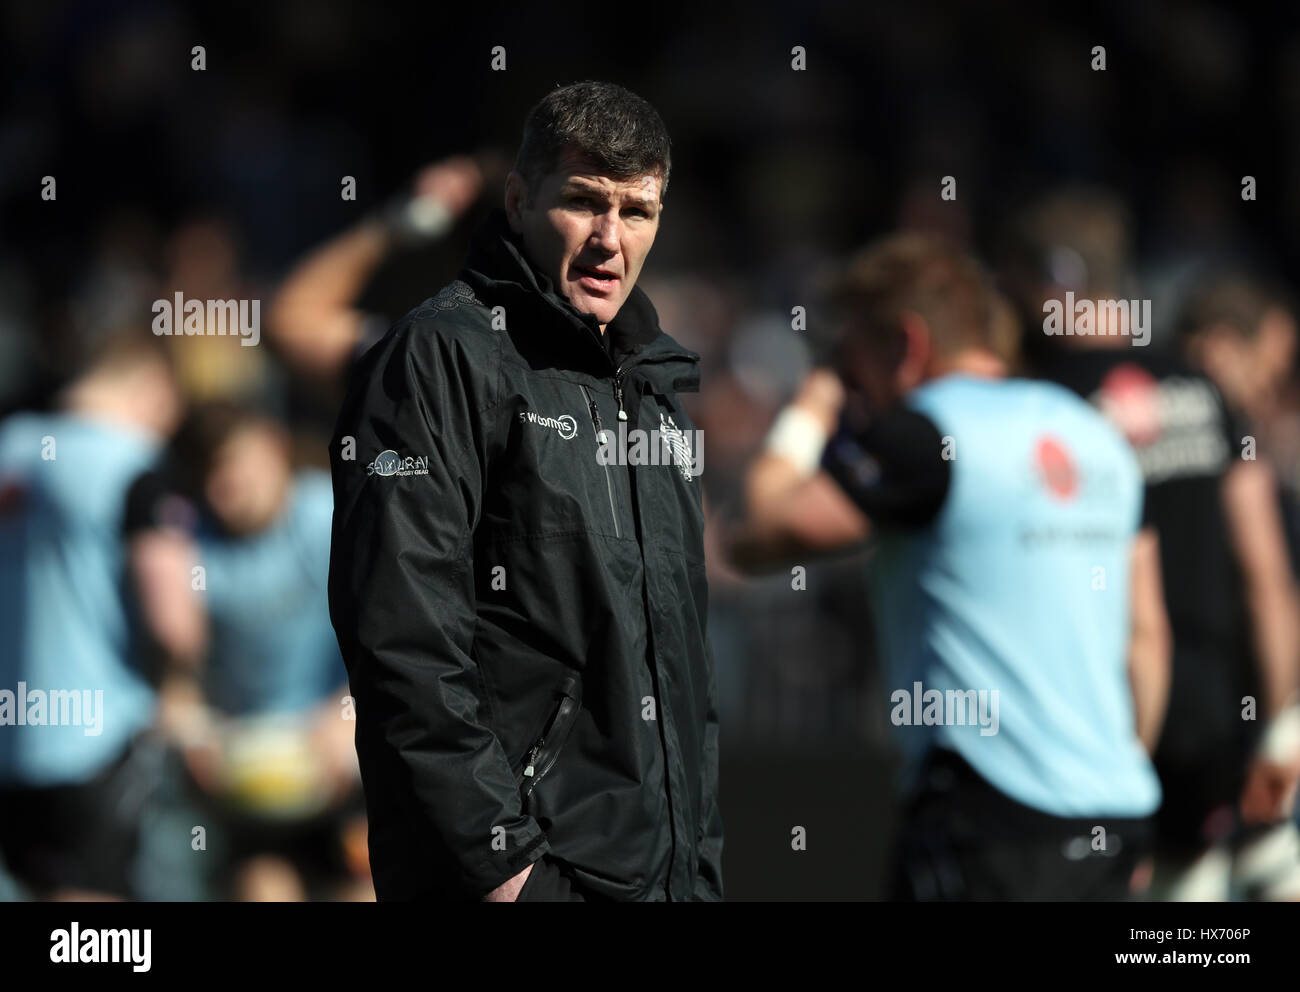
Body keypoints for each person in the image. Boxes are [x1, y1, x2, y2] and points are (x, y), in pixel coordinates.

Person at [328, 80, 722, 901]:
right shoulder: (438, 356)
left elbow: (681, 674)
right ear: (517, 200)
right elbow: (402, 635)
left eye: (637, 211)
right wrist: (504, 869)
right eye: (582, 202)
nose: (610, 239)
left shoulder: (656, 388)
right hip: (519, 876)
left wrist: (699, 869)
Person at [728, 233, 1169, 900]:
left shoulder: (926, 434)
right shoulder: (1095, 434)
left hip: (991, 827)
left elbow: (754, 531)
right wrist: (1124, 792)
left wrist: (813, 404)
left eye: (852, 358)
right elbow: (1147, 636)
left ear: (906, 343)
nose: (855, 386)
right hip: (1115, 820)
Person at [1012, 190, 1300, 899]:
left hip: (1104, 719)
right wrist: (1280, 725)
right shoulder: (1200, 387)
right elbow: (1266, 574)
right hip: (1216, 711)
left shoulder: (1040, 403)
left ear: (1054, 281)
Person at [0, 331, 183, 899]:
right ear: (152, 388)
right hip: (100, 740)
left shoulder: (11, 443)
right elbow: (173, 618)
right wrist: (180, 686)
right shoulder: (131, 463)